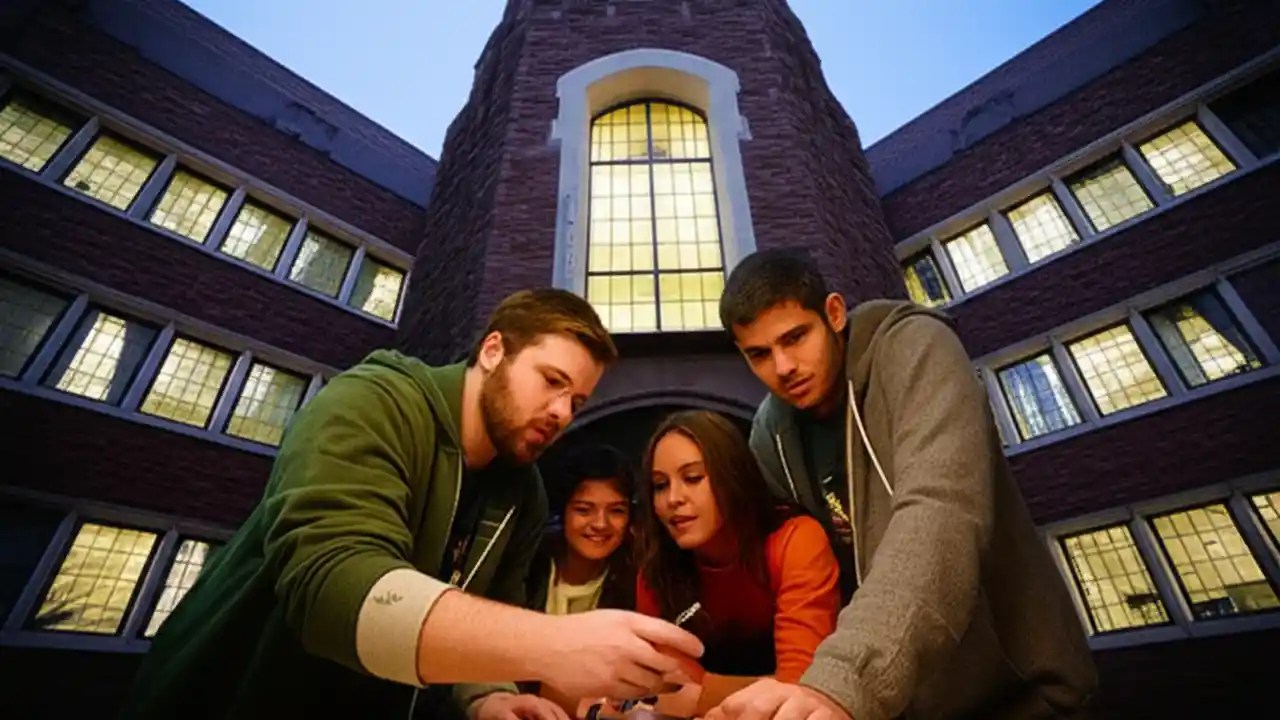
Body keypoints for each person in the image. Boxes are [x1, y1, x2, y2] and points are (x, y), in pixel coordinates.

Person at [122, 289, 703, 720]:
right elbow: (330, 588)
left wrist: (491, 697)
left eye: (576, 400)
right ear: (494, 350)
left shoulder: (523, 490)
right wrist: (557, 646)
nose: (561, 412)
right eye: (551, 381)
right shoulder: (374, 399)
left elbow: (493, 606)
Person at [708, 250, 1097, 720]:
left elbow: (939, 511)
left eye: (795, 337)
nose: (784, 365)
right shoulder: (770, 435)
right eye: (760, 354)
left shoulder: (915, 347)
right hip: (897, 704)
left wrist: (842, 681)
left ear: (833, 313)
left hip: (1022, 693)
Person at [634, 409, 842, 719]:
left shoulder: (794, 541)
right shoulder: (657, 571)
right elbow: (671, 689)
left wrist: (702, 694)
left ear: (732, 476)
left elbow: (802, 689)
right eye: (660, 485)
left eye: (692, 478)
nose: (673, 498)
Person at [527, 445, 637, 617]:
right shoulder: (527, 566)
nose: (600, 524)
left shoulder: (639, 583)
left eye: (616, 511)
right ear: (562, 512)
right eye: (584, 510)